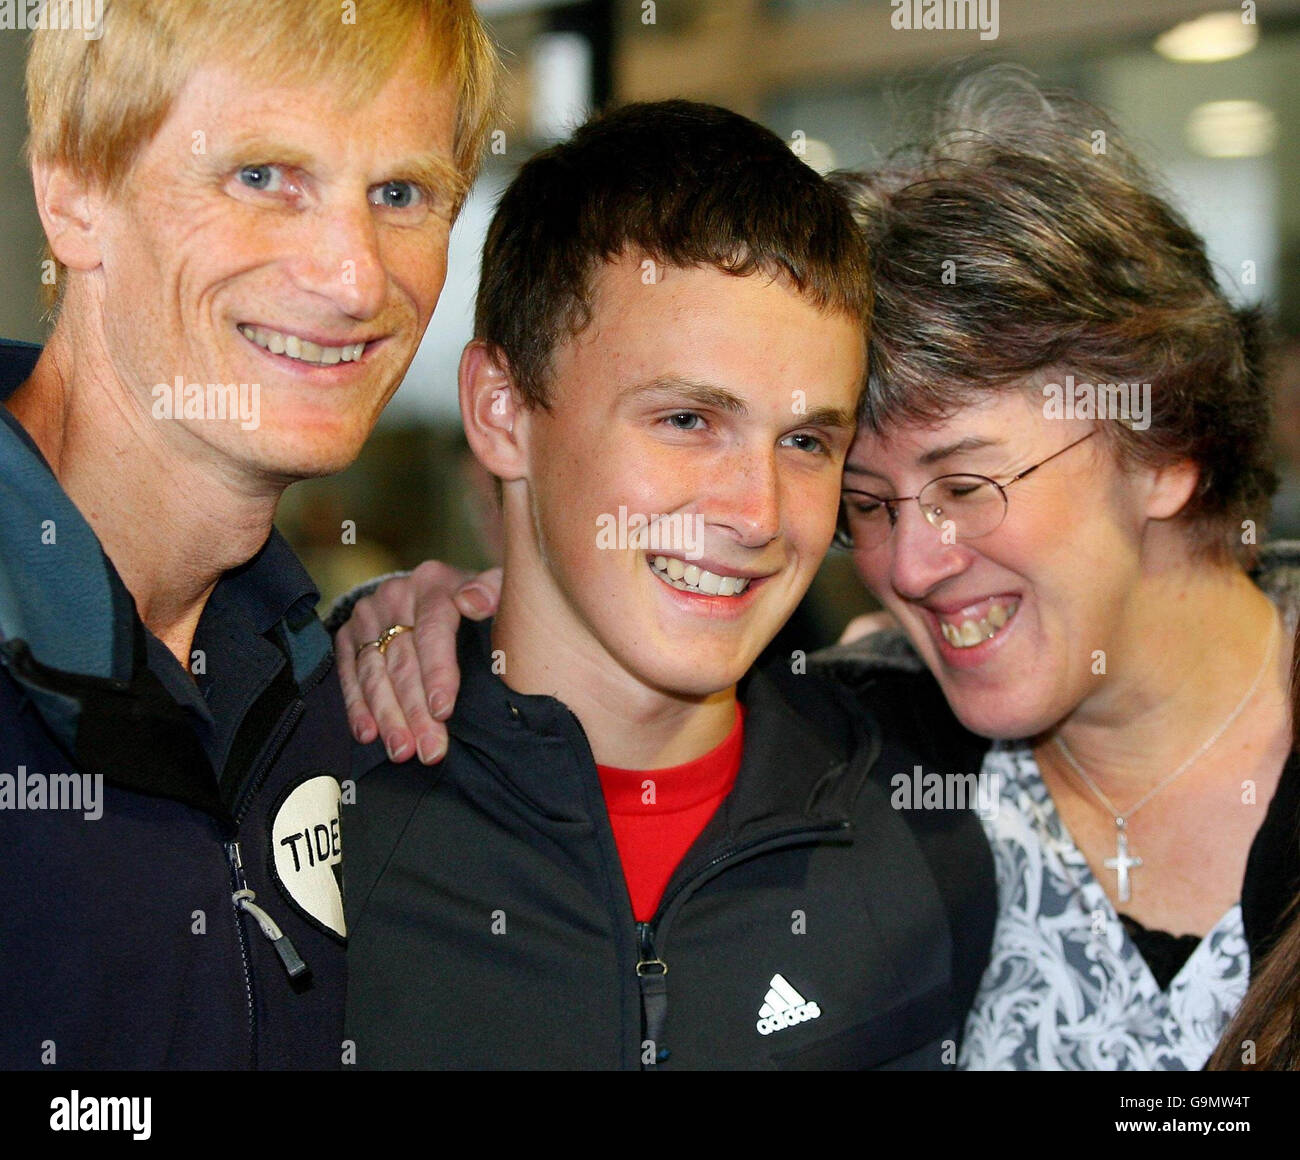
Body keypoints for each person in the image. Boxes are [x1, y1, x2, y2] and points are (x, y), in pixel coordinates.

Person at [336, 69, 1300, 1070]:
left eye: (966, 485)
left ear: (1164, 449)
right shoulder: (886, 736)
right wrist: (395, 618)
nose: (908, 564)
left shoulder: (892, 776)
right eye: (867, 504)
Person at [341, 99, 996, 1070]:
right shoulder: (310, 816)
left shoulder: (938, 804)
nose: (759, 512)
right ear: (500, 408)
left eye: (807, 440)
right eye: (688, 419)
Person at [0, 0, 498, 1069]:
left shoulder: (334, 686)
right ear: (72, 190)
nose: (355, 276)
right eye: (263, 177)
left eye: (400, 193)